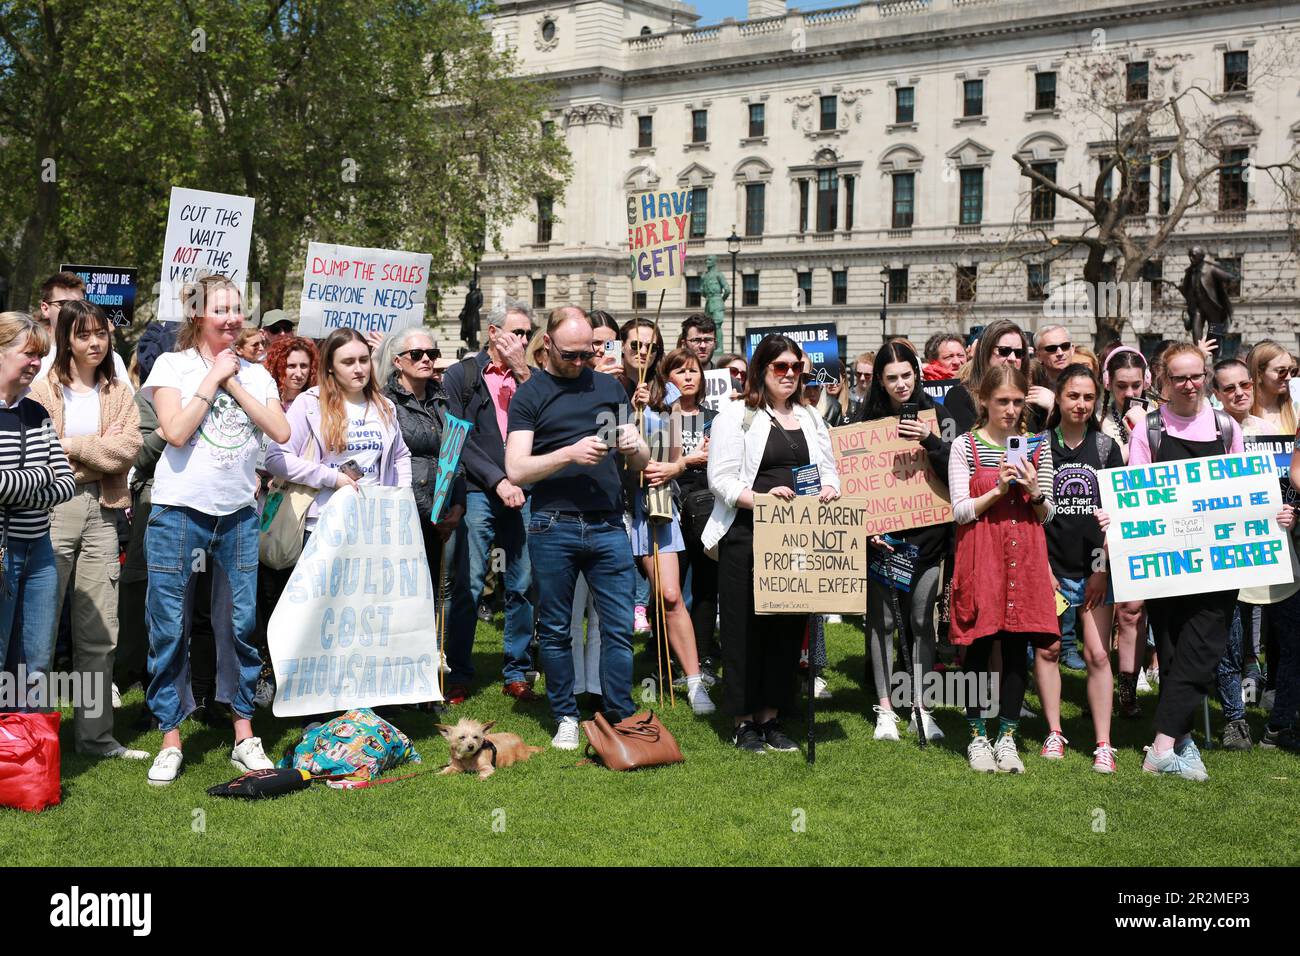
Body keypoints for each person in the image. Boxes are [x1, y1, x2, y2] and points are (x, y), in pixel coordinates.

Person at [1117, 342, 1293, 779]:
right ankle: (1184, 742)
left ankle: (1159, 747)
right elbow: (1134, 493)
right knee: (1175, 652)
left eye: (1196, 375)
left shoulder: (1225, 428)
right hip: (1166, 565)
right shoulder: (1149, 430)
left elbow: (1243, 493)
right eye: (1179, 377)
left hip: (1218, 565)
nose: (1189, 384)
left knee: (1204, 649)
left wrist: (1276, 512)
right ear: (1164, 382)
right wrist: (1113, 514)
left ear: (1206, 377)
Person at [140, 274, 290, 786]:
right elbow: (176, 432)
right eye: (219, 309)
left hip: (238, 517)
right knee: (169, 624)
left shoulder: (258, 375)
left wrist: (233, 381)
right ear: (198, 315)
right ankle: (170, 734)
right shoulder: (172, 365)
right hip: (179, 511)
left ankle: (243, 733)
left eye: (237, 309)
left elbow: (281, 431)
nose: (231, 318)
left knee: (239, 624)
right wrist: (210, 381)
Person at [505, 306, 650, 749]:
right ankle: (565, 714)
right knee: (554, 629)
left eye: (590, 353)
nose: (582, 362)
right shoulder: (530, 395)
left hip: (608, 522)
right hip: (554, 524)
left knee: (618, 625)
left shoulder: (609, 387)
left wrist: (637, 446)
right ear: (546, 344)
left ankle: (619, 714)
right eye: (571, 355)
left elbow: (640, 462)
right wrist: (567, 454)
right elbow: (516, 468)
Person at [703, 334, 841, 754]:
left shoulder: (810, 416)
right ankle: (743, 721)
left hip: (796, 535)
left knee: (785, 627)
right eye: (779, 367)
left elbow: (829, 467)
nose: (789, 374)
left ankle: (772, 716)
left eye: (795, 368)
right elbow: (721, 478)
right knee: (745, 627)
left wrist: (830, 489)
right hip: (746, 532)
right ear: (761, 369)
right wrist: (760, 500)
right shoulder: (737, 414)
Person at [30, 301, 145, 759]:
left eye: (101, 333)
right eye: (84, 335)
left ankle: (97, 737)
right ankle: (32, 737)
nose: (95, 342)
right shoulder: (43, 389)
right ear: (67, 340)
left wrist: (74, 445)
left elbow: (128, 450)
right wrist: (94, 451)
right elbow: (40, 454)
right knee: (38, 631)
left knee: (100, 631)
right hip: (51, 510)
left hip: (104, 510)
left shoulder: (118, 389)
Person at [948, 365, 1057, 773]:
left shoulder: (1036, 447)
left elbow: (1048, 516)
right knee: (977, 645)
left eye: (1016, 402)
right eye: (1002, 402)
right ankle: (977, 736)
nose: (1010, 410)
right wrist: (997, 489)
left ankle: (1007, 737)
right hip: (981, 555)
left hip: (1025, 555)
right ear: (984, 402)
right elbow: (959, 512)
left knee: (1016, 648)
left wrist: (1034, 492)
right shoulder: (964, 446)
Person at [443, 300, 538, 704]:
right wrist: (498, 480)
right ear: (492, 332)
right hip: (481, 490)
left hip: (526, 489)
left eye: (528, 334)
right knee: (469, 581)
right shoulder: (462, 375)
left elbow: (548, 424)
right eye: (516, 332)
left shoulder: (532, 377)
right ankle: (459, 672)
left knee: (524, 582)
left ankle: (518, 670)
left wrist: (523, 373)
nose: (523, 340)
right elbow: (456, 438)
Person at [860, 342, 953, 743]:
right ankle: (884, 708)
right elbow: (853, 479)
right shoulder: (866, 419)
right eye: (891, 377)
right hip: (882, 542)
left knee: (921, 622)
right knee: (880, 622)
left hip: (928, 539)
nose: (901, 384)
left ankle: (922, 707)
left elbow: (960, 472)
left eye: (907, 375)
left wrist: (931, 441)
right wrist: (867, 528)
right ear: (880, 380)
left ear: (917, 374)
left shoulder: (940, 416)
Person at [1037, 364, 1123, 772]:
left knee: (1098, 655)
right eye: (1073, 396)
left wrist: (1100, 569)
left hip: (1093, 570)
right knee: (1049, 649)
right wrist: (1043, 568)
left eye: (1089, 397)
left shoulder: (1107, 449)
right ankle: (1054, 731)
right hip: (1050, 567)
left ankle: (1103, 742)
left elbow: (1118, 515)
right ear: (1059, 397)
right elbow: (1028, 514)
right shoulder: (1038, 447)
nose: (1081, 404)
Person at [377, 327, 471, 697]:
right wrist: (429, 513)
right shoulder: (385, 402)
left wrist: (458, 506)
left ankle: (428, 681)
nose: (427, 359)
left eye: (431, 352)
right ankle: (395, 684)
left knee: (435, 595)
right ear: (398, 361)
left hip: (443, 514)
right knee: (402, 599)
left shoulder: (443, 400)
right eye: (417, 354)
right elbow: (393, 463)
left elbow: (455, 453)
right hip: (405, 513)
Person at [627, 350, 716, 715]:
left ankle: (694, 682)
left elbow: (676, 455)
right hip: (612, 509)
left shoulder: (671, 410)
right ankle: (596, 688)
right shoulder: (619, 398)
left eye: (691, 370)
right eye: (633, 345)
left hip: (655, 510)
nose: (685, 376)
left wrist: (675, 463)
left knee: (669, 594)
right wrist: (630, 413)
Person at [265, 327, 411, 533]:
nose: (359, 369)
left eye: (364, 360)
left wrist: (401, 497)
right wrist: (332, 478)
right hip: (321, 525)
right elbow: (276, 458)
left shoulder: (385, 406)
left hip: (373, 525)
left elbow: (401, 456)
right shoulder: (310, 403)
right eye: (348, 362)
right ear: (330, 366)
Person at [0, 312, 77, 705]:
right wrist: (39, 477)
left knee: (34, 665)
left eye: (39, 356)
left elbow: (65, 483)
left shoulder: (37, 412)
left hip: (39, 551)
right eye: (28, 354)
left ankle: (24, 757)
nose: (35, 363)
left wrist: (21, 483)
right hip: (2, 551)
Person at [568, 310, 624, 713]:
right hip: (567, 509)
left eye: (606, 343)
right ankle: (573, 687)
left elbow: (622, 444)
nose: (599, 351)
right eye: (594, 344)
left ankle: (601, 687)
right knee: (570, 611)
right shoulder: (564, 388)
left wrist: (622, 390)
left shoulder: (616, 390)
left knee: (607, 615)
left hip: (609, 507)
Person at [1098, 344, 1155, 714]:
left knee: (1134, 610)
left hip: (1146, 521)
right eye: (1122, 386)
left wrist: (1140, 430)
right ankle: (1101, 683)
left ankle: (1128, 689)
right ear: (1108, 383)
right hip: (1104, 523)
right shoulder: (1096, 418)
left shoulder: (1161, 418)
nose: (1130, 393)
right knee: (1105, 607)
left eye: (1136, 385)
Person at [619, 317, 665, 637]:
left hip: (653, 493)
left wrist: (651, 412)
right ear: (622, 347)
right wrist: (628, 408)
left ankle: (644, 610)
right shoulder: (609, 384)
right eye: (635, 344)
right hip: (618, 492)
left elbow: (675, 442)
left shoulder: (666, 391)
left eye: (650, 346)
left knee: (665, 585)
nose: (642, 351)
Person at [35, 272, 131, 383]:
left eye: (79, 304)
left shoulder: (109, 358)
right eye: (64, 303)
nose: (74, 310)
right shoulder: (33, 357)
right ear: (45, 309)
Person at [945, 319, 1033, 435]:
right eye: (1004, 351)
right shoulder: (960, 396)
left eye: (1018, 353)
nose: (1012, 358)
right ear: (985, 353)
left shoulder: (1033, 398)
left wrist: (1052, 409)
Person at [1248, 341, 1297, 435]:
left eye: (1291, 371)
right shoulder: (1240, 410)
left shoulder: (1295, 410)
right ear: (1259, 373)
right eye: (1281, 371)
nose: (1289, 377)